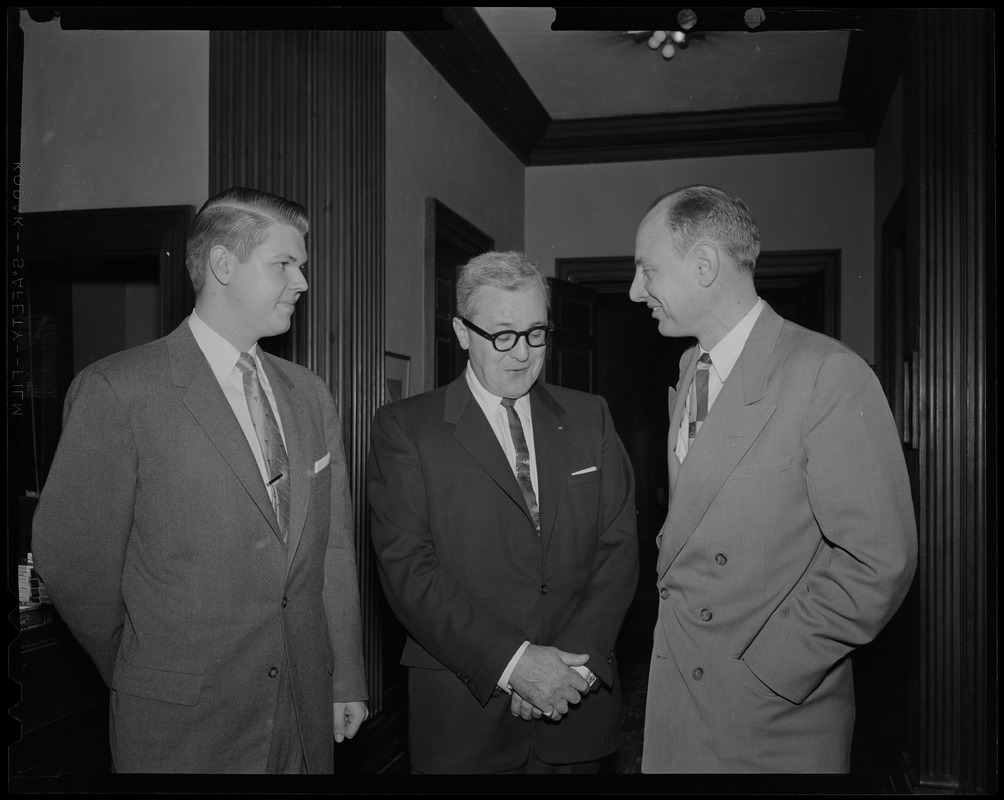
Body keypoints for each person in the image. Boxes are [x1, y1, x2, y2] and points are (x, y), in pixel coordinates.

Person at [32, 187, 369, 773]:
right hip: (182, 727)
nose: (302, 284)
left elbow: (332, 550)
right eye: (284, 265)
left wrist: (345, 678)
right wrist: (146, 665)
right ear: (222, 265)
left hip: (303, 714)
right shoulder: (120, 390)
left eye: (302, 267)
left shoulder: (309, 395)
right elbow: (73, 565)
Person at [631, 184, 918, 773]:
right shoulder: (691, 369)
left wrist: (769, 669)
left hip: (769, 721)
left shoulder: (828, 373)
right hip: (679, 699)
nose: (637, 291)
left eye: (646, 270)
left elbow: (879, 561)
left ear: (705, 264)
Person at [367, 251, 638, 774]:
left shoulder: (590, 417)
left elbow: (619, 549)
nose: (523, 353)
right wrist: (517, 665)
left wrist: (571, 670)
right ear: (462, 332)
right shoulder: (407, 429)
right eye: (502, 335)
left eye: (537, 332)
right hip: (466, 715)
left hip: (578, 707)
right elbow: (408, 571)